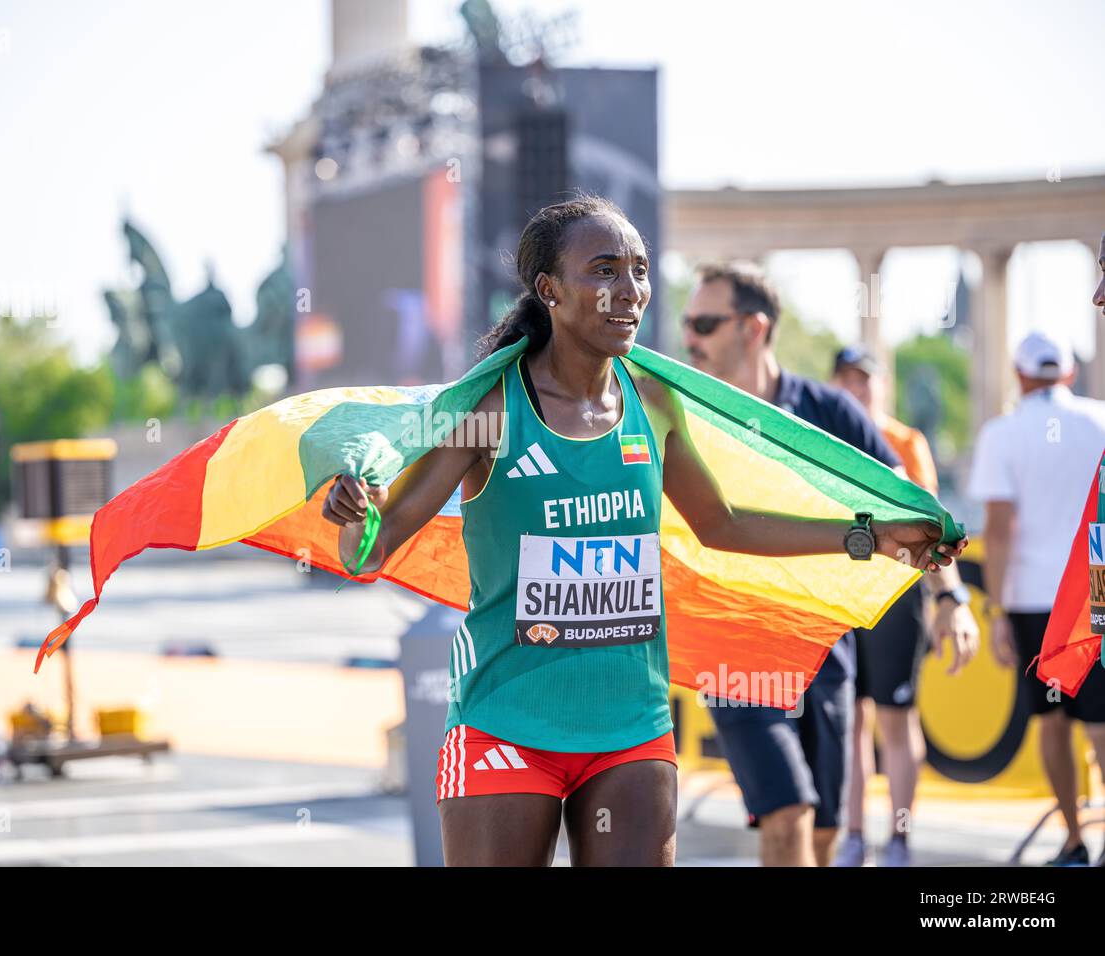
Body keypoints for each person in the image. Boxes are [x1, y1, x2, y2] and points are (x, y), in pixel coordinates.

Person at [320, 198, 963, 867]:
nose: (630, 292)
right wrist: (358, 516)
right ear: (550, 291)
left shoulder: (654, 402)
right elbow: (368, 551)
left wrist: (870, 534)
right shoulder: (491, 410)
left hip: (631, 731)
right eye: (604, 271)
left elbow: (722, 523)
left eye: (640, 270)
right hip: (504, 728)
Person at [681, 262, 972, 867]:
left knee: (822, 832)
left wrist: (952, 598)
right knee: (787, 814)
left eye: (704, 323)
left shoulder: (830, 413)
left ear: (753, 328)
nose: (689, 339)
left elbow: (907, 508)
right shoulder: (686, 414)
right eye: (688, 324)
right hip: (736, 653)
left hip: (821, 649)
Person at [830, 346, 979, 867]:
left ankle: (898, 837)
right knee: (848, 719)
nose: (857, 388)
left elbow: (934, 527)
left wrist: (951, 597)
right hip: (838, 590)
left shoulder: (904, 442)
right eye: (847, 379)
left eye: (866, 378)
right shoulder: (823, 435)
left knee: (894, 717)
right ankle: (852, 834)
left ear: (882, 385)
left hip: (895, 594)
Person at [970, 328, 1105, 867]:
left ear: (1019, 375)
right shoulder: (1099, 420)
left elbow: (998, 529)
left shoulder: (1002, 433)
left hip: (1031, 597)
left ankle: (1074, 840)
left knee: (1051, 720)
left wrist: (997, 609)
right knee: (1100, 722)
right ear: (1069, 373)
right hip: (1095, 586)